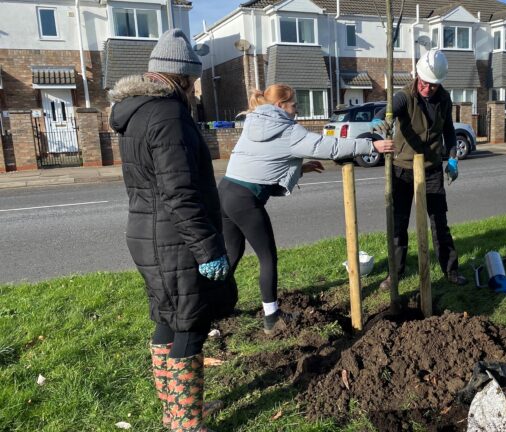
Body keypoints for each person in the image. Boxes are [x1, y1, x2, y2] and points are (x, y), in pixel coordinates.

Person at [109, 29, 231, 431]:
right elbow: (180, 192)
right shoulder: (168, 114)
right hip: (174, 240)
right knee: (189, 323)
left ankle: (178, 410)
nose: (195, 91)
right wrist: (208, 249)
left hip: (149, 234)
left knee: (167, 317)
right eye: (192, 82)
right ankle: (185, 423)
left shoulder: (138, 110)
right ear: (179, 77)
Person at [219, 84, 395, 335]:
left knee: (231, 254)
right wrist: (371, 147)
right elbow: (330, 147)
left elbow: (263, 161)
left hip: (226, 191)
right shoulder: (286, 129)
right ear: (280, 106)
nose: (297, 112)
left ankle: (212, 307)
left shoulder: (256, 123)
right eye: (294, 106)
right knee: (267, 257)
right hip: (245, 200)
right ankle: (272, 318)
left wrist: (301, 169)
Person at [376, 48, 468, 291]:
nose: (428, 89)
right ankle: (394, 273)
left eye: (433, 86)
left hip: (431, 169)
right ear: (418, 76)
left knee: (439, 221)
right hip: (403, 169)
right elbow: (387, 111)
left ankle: (451, 270)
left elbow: (448, 130)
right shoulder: (405, 96)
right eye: (425, 84)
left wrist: (452, 157)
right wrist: (381, 121)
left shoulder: (444, 99)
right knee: (399, 223)